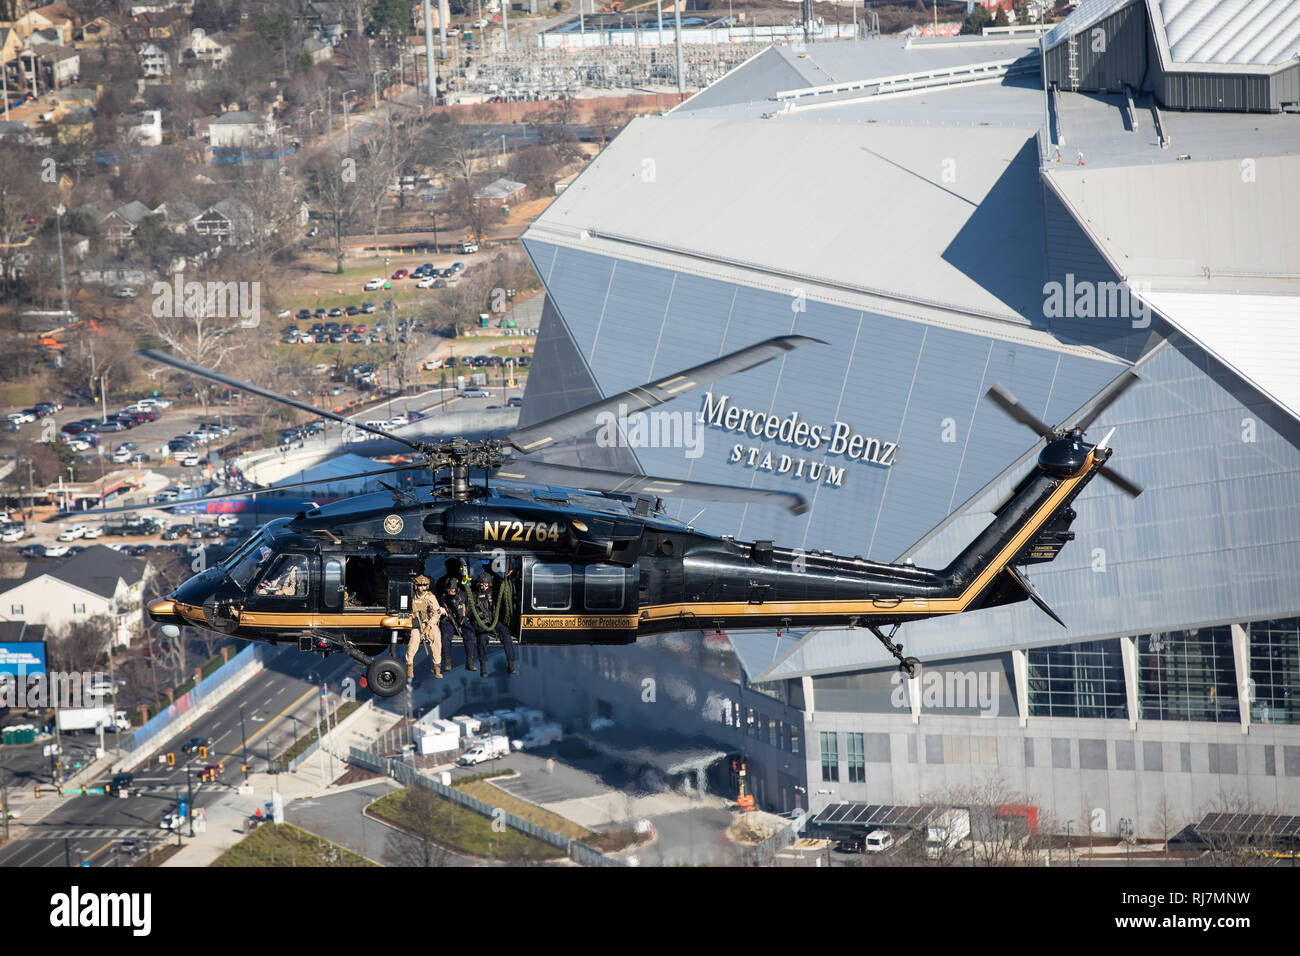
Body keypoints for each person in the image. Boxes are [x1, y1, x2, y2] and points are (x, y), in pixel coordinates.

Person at [470, 568, 516, 677]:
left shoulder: (494, 594)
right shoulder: (474, 595)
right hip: (481, 622)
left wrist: (505, 579)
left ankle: (511, 665)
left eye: (486, 585)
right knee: (482, 639)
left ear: (490, 584)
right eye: (482, 585)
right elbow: (471, 612)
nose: (484, 587)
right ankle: (483, 667)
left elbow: (502, 592)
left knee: (506, 634)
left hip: (494, 620)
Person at [405, 575, 446, 680]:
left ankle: (437, 668)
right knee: (413, 640)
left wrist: (429, 626)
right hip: (416, 624)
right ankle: (409, 667)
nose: (421, 588)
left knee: (436, 639)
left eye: (424, 586)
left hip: (429, 623)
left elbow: (436, 614)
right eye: (419, 585)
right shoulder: (412, 597)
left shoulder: (430, 597)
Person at [437, 572, 478, 671]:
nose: (452, 591)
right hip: (448, 621)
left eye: (454, 590)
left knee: (470, 634)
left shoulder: (464, 595)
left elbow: (471, 606)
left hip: (462, 620)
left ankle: (470, 662)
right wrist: (440, 609)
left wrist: (466, 617)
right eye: (450, 590)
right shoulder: (442, 598)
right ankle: (447, 662)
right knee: (446, 637)